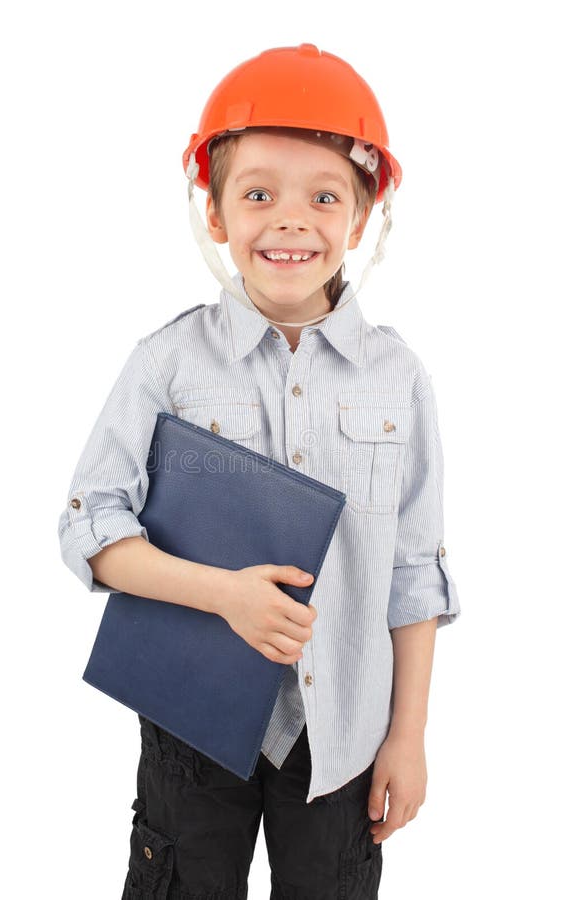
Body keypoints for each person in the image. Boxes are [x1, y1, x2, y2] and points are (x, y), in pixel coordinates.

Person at [57, 42, 461, 900]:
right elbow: (89, 530)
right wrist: (224, 596)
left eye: (324, 197)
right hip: (190, 721)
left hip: (341, 732)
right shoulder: (166, 363)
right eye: (257, 194)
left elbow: (413, 574)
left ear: (362, 218)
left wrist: (409, 737)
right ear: (215, 213)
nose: (290, 221)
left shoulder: (400, 378)